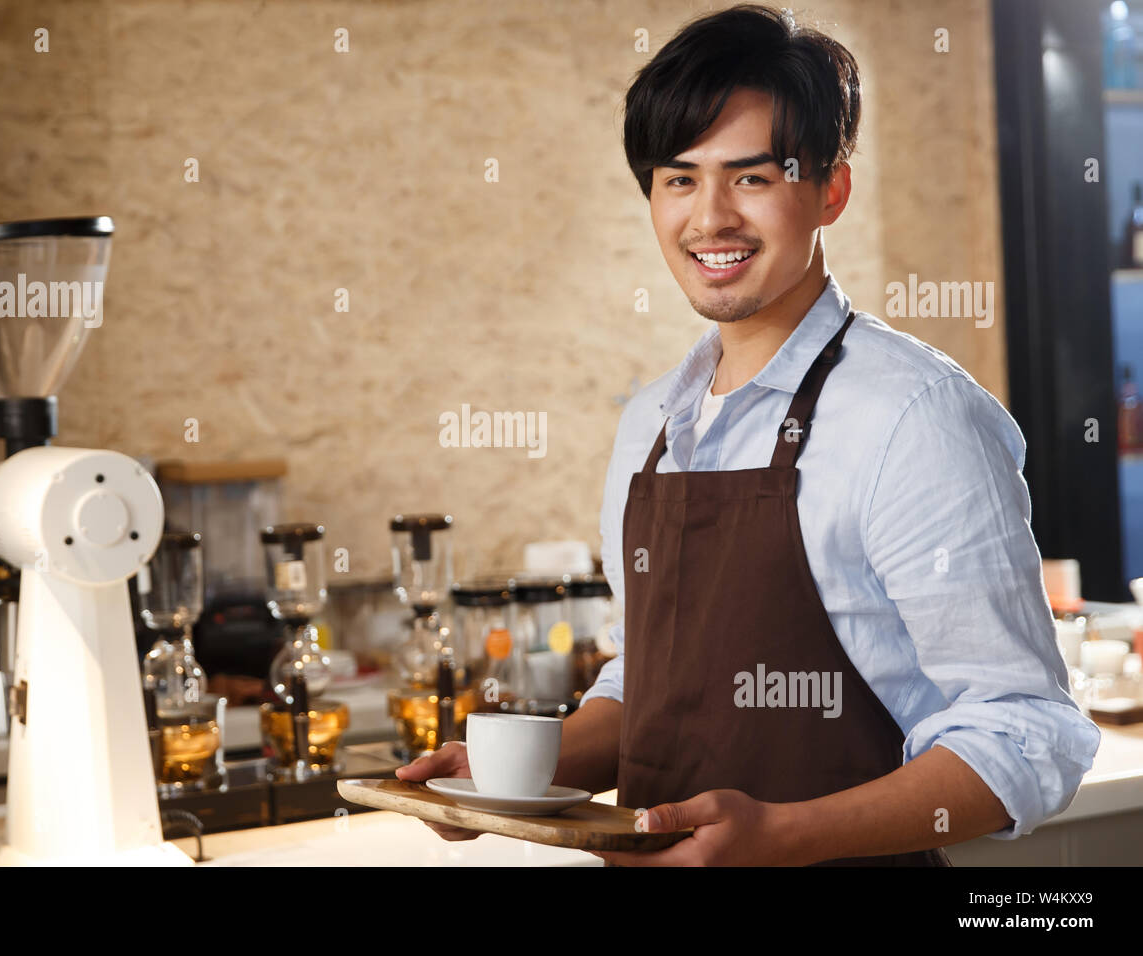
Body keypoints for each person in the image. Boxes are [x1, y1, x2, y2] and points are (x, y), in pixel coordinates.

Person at [397, 3, 1099, 865]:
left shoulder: (914, 418)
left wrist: (783, 837)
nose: (711, 218)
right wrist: (511, 773)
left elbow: (1028, 734)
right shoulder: (651, 425)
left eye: (753, 178)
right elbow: (651, 689)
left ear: (830, 188)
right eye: (680, 179)